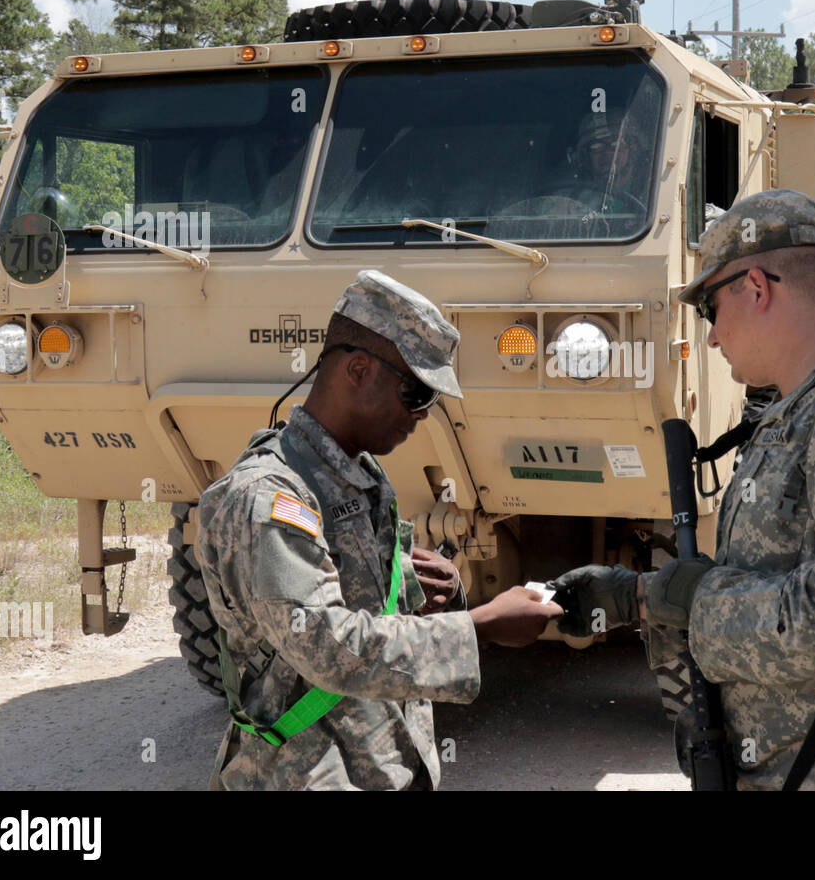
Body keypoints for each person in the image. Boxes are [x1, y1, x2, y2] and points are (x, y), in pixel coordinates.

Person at [552, 189, 815, 790]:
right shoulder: (803, 411)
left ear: (757, 288)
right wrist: (642, 597)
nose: (712, 338)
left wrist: (696, 603)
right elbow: (782, 568)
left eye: (711, 310)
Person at [195, 269, 562, 790]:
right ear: (359, 370)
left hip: (380, 760)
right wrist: (479, 625)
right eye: (414, 393)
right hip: (306, 773)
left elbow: (371, 605)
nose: (422, 416)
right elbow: (325, 644)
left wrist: (438, 589)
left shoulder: (360, 477)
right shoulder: (267, 498)